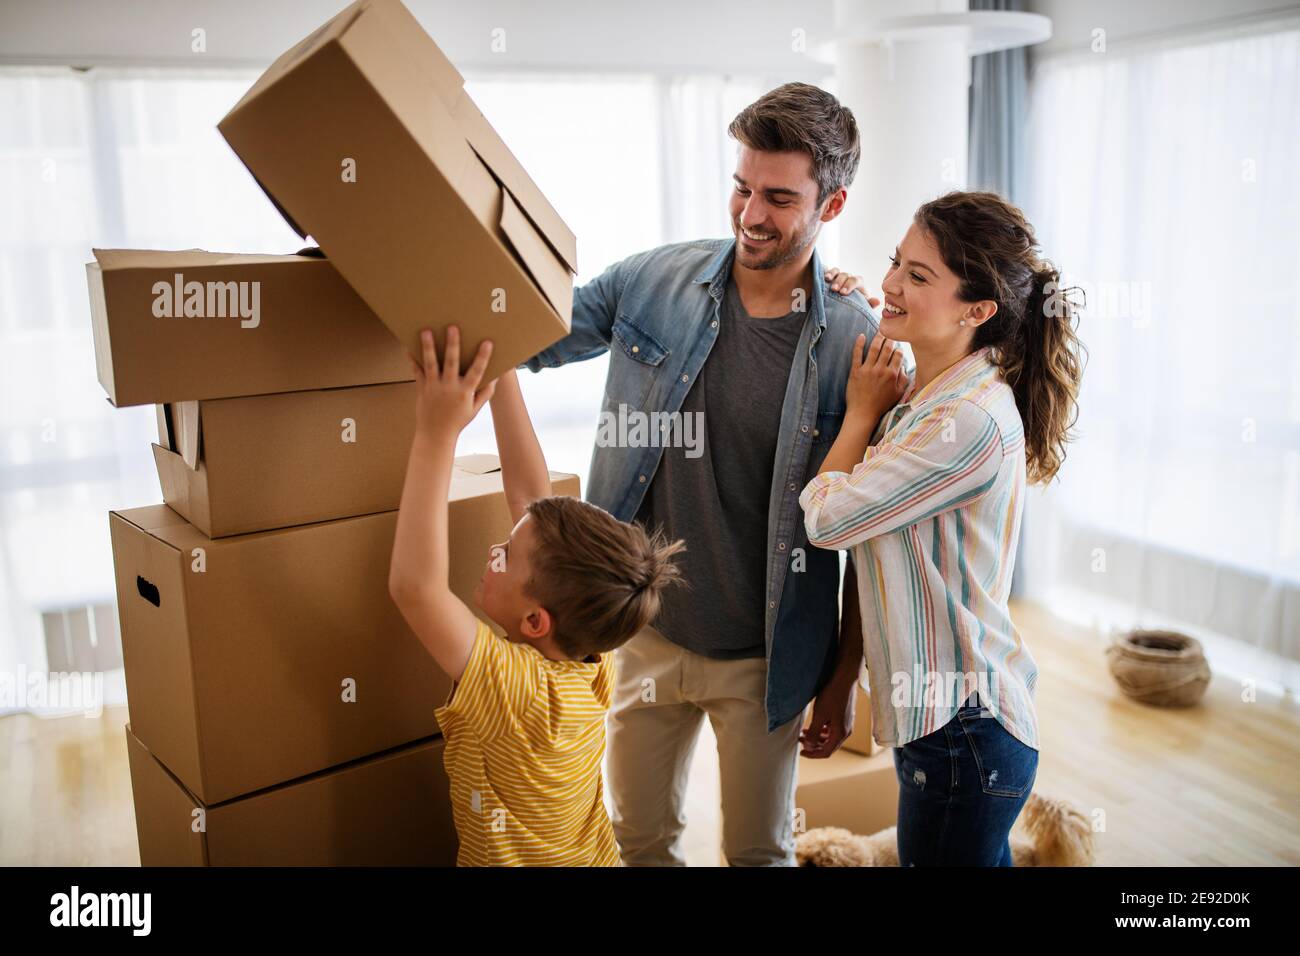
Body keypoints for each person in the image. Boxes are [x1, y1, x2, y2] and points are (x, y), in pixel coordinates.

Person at [519, 82, 880, 865]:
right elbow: (528, 334)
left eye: (780, 198)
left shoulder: (857, 342)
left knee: (757, 852)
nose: (752, 214)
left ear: (834, 204)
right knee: (639, 839)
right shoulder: (653, 282)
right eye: (742, 187)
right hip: (644, 634)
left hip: (766, 653)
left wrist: (844, 674)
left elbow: (867, 537)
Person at [801, 190, 1085, 866]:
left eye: (919, 276)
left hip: (965, 731)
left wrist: (859, 415)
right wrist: (843, 682)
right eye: (896, 263)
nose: (891, 284)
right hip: (947, 725)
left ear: (977, 310)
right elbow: (879, 559)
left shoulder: (963, 423)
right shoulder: (924, 405)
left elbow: (827, 519)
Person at [387, 326, 683, 866]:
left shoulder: (516, 689)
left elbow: (416, 589)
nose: (494, 550)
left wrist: (436, 433)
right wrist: (498, 368)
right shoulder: (592, 656)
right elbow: (532, 503)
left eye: (504, 554)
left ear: (536, 621)